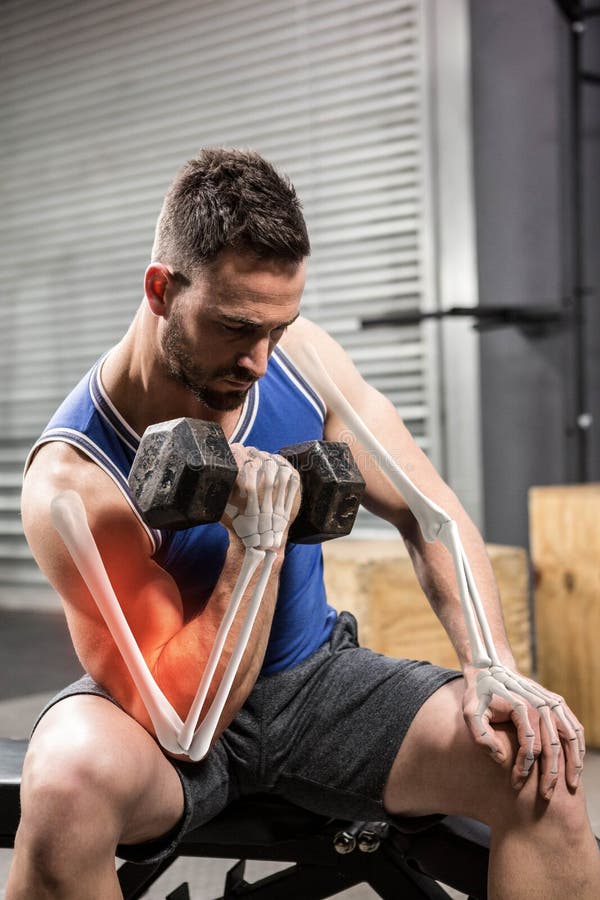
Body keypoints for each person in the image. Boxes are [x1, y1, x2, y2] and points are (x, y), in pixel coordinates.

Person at [6, 148, 599, 900]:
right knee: (63, 791)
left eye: (278, 329)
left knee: (537, 761)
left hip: (314, 680)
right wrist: (255, 545)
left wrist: (492, 663)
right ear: (161, 289)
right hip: (163, 721)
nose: (259, 360)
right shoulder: (75, 481)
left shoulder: (301, 361)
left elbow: (433, 516)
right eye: (234, 327)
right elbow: (186, 723)